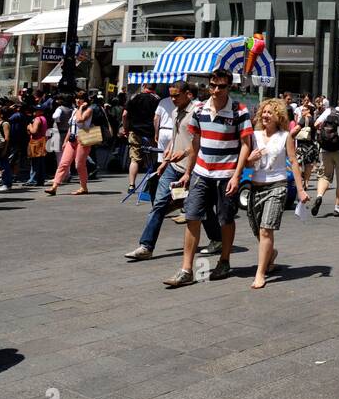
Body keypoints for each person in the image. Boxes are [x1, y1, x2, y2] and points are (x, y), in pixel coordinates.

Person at [164, 69, 252, 287]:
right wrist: (187, 171)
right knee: (192, 216)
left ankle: (224, 260)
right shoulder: (200, 109)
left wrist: (237, 175)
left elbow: (246, 145)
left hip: (226, 174)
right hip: (201, 173)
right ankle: (186, 269)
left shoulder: (239, 110)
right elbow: (195, 142)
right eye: (212, 85)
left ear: (229, 87)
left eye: (221, 86)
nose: (215, 90)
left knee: (225, 219)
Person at [127, 81, 199, 261]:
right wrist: (165, 161)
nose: (172, 99)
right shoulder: (174, 112)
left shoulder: (197, 113)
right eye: (171, 95)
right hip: (173, 167)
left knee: (199, 210)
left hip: (193, 168)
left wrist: (188, 169)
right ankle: (146, 246)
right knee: (159, 204)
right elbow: (174, 140)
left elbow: (198, 144)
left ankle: (217, 239)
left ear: (188, 94)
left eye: (176, 95)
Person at [246, 99, 309, 290]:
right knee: (258, 230)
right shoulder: (253, 135)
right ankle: (270, 254)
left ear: (278, 116)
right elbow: (245, 161)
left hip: (277, 186)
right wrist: (250, 159)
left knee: (266, 229)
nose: (265, 115)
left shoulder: (285, 136)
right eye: (264, 112)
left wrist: (300, 190)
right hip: (255, 186)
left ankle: (260, 273)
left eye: (270, 113)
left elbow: (294, 162)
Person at [45, 92, 94, 196]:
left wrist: (80, 108)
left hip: (83, 139)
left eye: (80, 98)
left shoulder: (88, 110)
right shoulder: (74, 110)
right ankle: (54, 186)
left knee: (79, 165)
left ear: (85, 100)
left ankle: (83, 187)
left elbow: (80, 119)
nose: (77, 100)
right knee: (63, 163)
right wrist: (65, 141)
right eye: (76, 98)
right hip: (72, 139)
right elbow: (71, 126)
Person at [123, 84, 160, 193]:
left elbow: (125, 115)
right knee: (153, 159)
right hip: (151, 134)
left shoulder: (134, 97)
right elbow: (157, 118)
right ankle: (151, 185)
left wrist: (126, 128)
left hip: (135, 132)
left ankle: (131, 185)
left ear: (144, 86)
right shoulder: (157, 99)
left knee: (135, 159)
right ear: (155, 87)